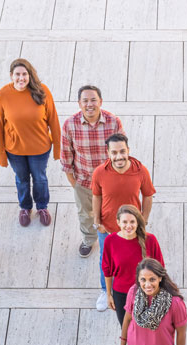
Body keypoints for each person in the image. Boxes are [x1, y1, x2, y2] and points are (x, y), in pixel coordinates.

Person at [0, 58, 60, 227]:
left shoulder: (42, 91)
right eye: (17, 74)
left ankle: (42, 207)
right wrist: (1, 154)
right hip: (15, 150)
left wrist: (58, 148)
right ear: (11, 75)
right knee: (21, 179)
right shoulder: (2, 95)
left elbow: (53, 120)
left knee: (40, 179)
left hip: (40, 148)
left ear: (30, 75)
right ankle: (25, 207)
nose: (21, 78)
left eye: (24, 74)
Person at [92, 133, 156, 312]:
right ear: (108, 153)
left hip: (132, 228)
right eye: (114, 152)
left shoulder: (140, 171)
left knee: (136, 258)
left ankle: (137, 290)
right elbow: (96, 196)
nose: (119, 156)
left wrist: (143, 219)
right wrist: (97, 222)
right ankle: (105, 290)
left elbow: (148, 195)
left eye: (122, 151)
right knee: (106, 261)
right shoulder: (100, 172)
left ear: (128, 150)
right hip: (108, 228)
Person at [61, 84, 124, 261]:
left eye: (93, 100)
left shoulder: (113, 122)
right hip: (84, 182)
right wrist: (75, 184)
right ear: (79, 103)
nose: (90, 104)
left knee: (114, 212)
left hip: (110, 183)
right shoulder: (70, 125)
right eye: (85, 100)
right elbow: (66, 156)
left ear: (100, 102)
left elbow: (122, 152)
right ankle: (89, 240)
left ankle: (117, 239)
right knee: (85, 214)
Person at [103, 205, 164, 345]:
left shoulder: (150, 240)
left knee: (146, 328)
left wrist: (159, 295)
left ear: (138, 222)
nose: (128, 226)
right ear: (118, 222)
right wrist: (108, 294)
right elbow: (107, 269)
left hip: (146, 292)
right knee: (128, 328)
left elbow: (160, 268)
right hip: (121, 293)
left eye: (132, 222)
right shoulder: (110, 241)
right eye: (124, 222)